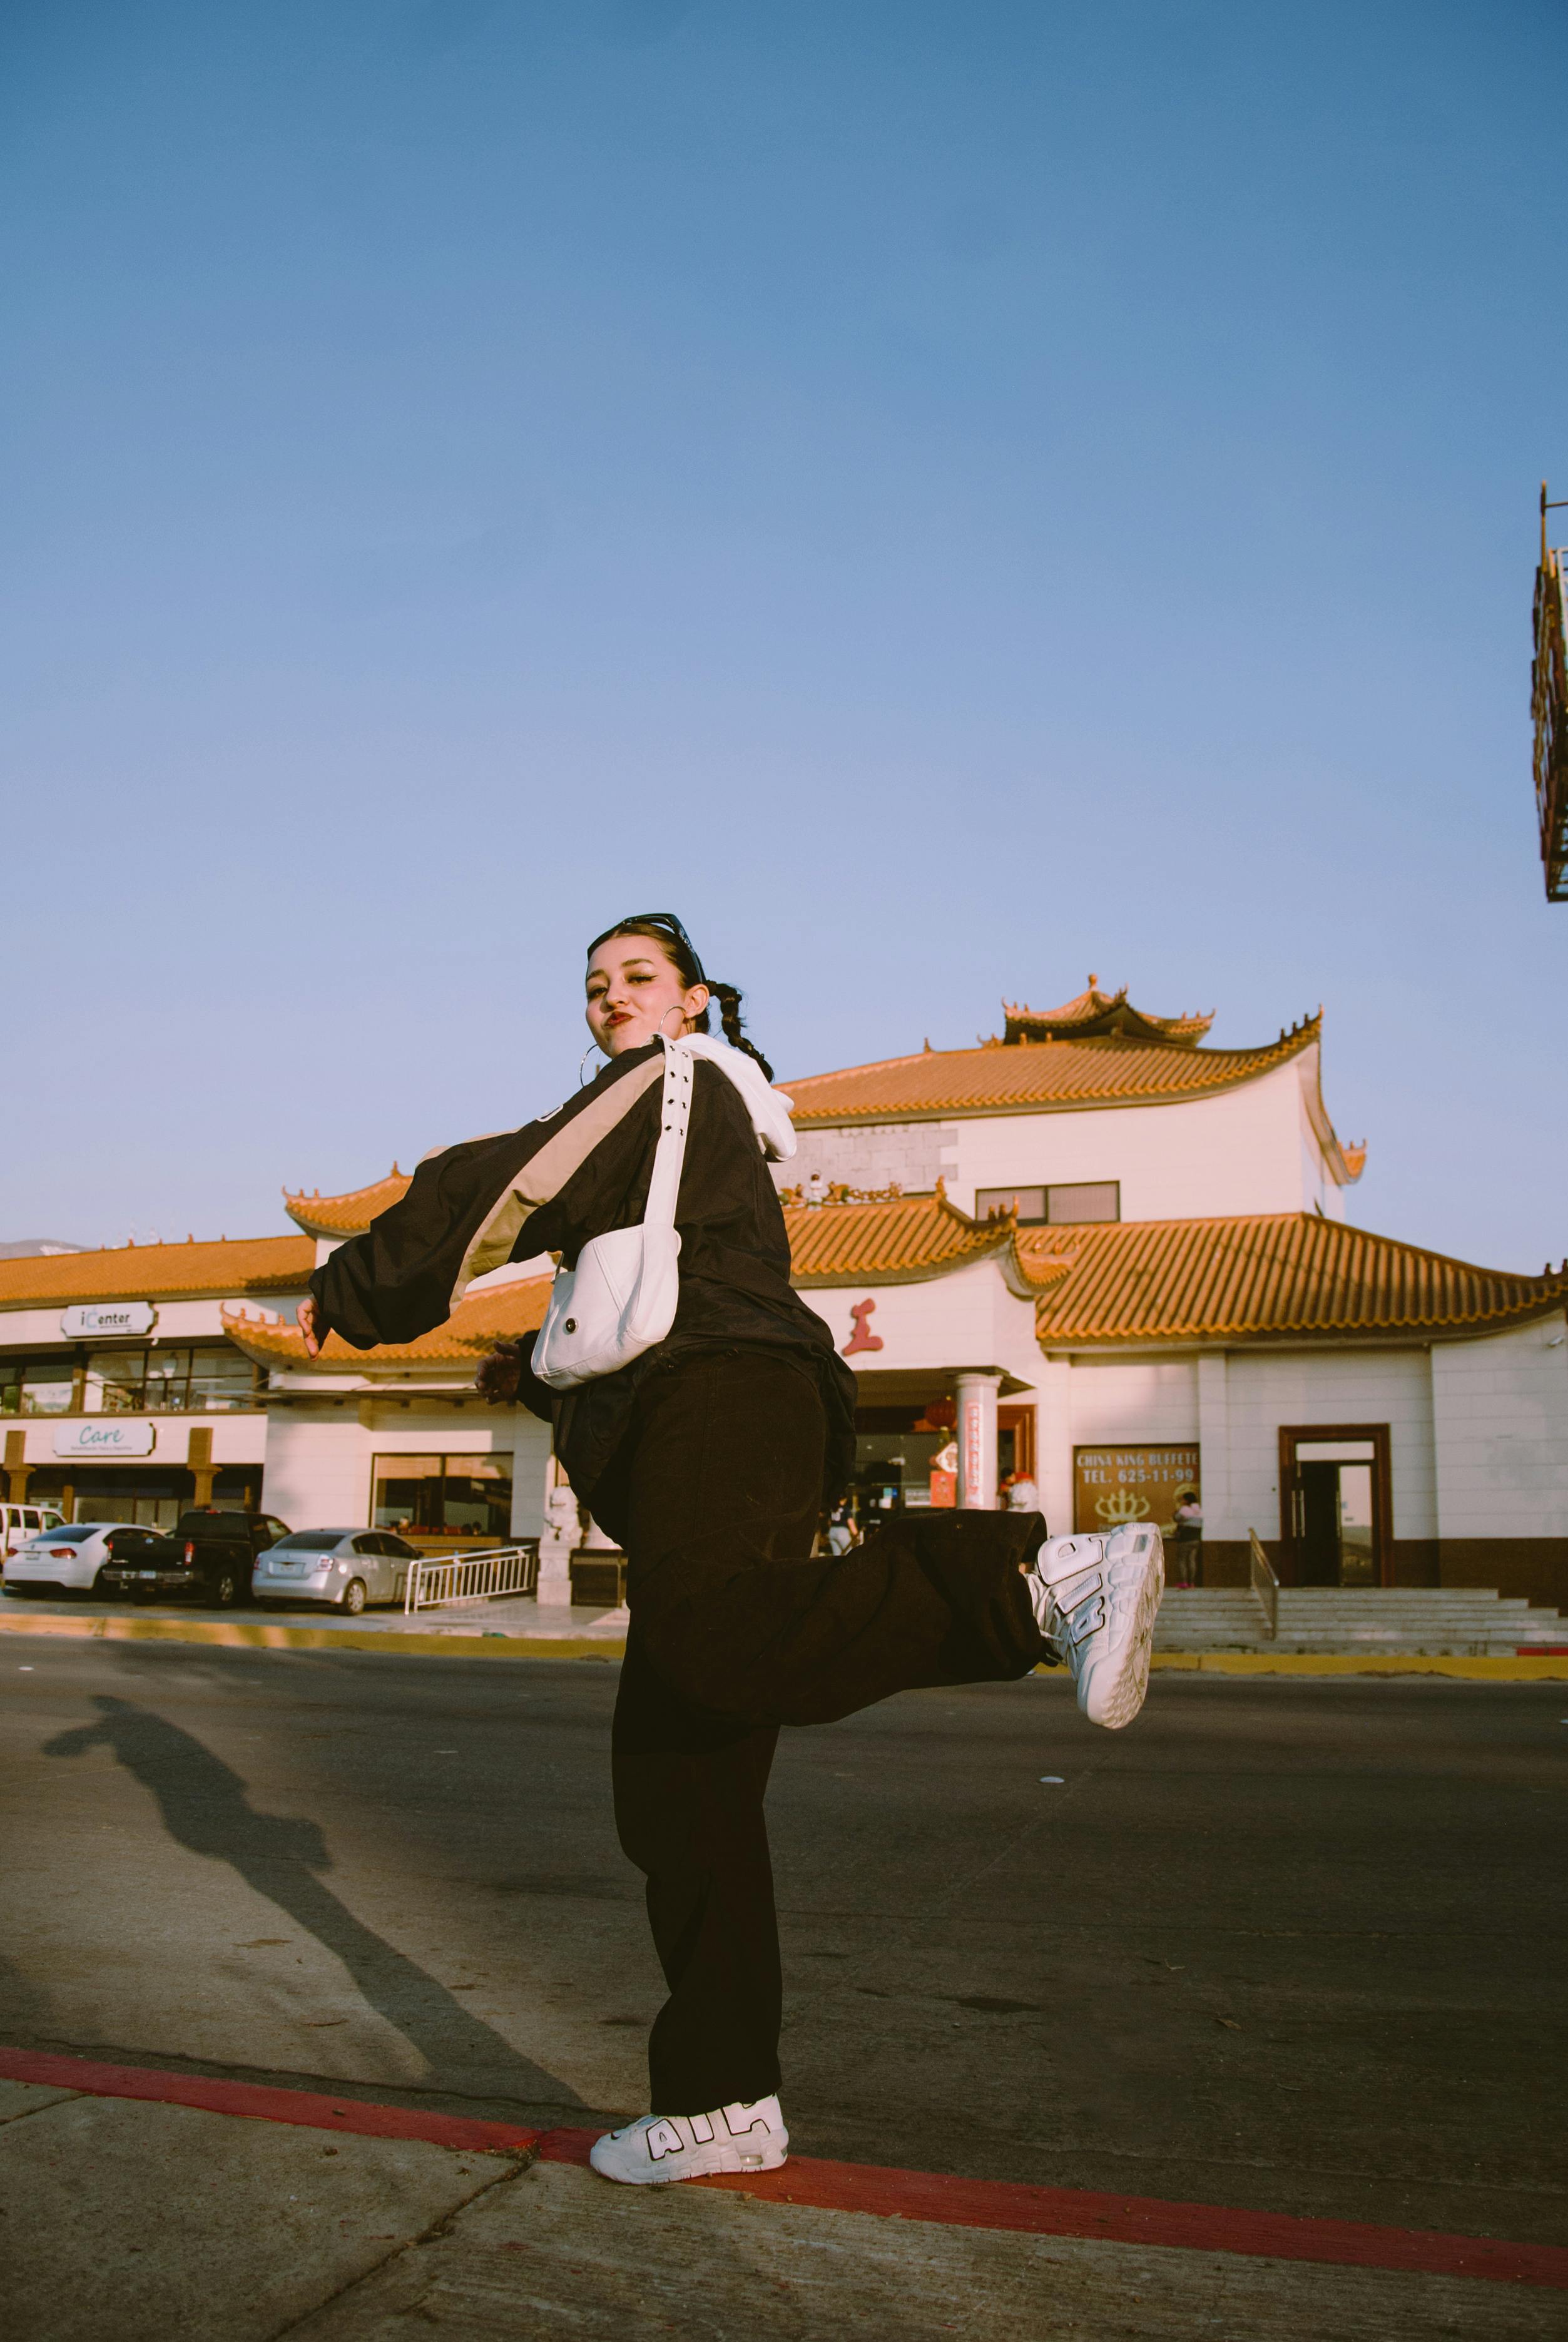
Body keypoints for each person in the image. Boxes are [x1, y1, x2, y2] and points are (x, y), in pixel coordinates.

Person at [297, 912, 1164, 2188]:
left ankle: (1033, 1586)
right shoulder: (705, 1132)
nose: (610, 997)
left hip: (725, 1396)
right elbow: (629, 1281)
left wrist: (353, 1287)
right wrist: (530, 1365)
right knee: (678, 1791)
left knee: (708, 1636)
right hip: (726, 1401)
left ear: (693, 999)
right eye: (594, 984)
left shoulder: (672, 1079)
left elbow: (511, 1180)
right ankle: (722, 2105)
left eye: (637, 977)